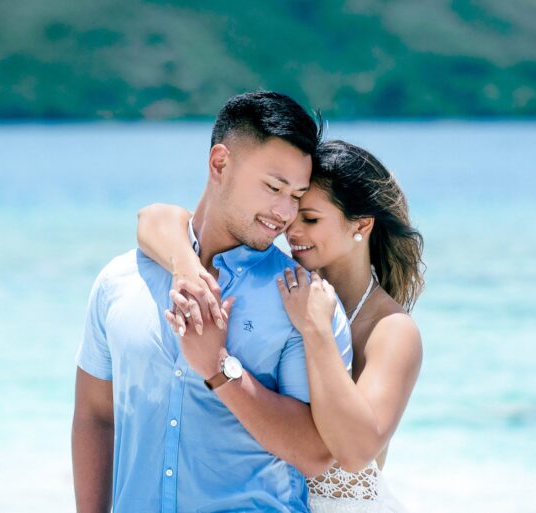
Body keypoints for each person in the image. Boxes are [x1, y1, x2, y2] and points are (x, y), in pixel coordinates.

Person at [72, 91, 352, 513]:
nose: (283, 213)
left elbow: (315, 453)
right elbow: (96, 415)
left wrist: (219, 370)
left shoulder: (304, 301)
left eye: (295, 196)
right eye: (273, 187)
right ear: (220, 163)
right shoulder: (120, 281)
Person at [138, 140, 424, 512]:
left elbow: (353, 452)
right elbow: (153, 217)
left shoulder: (392, 329)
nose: (292, 229)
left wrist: (318, 332)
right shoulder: (285, 284)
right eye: (293, 213)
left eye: (311, 219)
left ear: (362, 225)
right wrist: (188, 268)